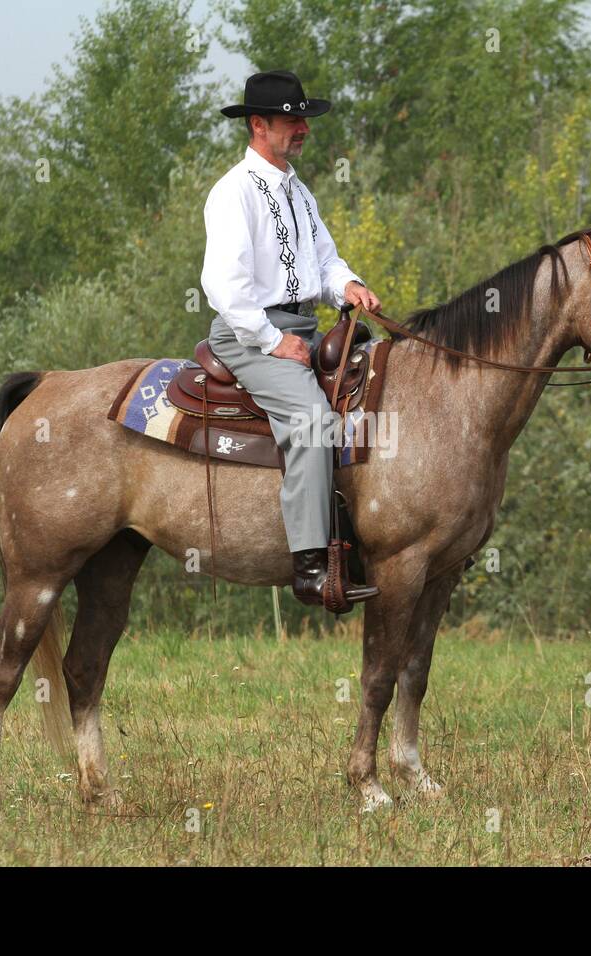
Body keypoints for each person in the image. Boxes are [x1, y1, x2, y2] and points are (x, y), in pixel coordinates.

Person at [201, 70, 381, 607]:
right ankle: (309, 566)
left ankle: (361, 535)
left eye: (303, 119)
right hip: (247, 334)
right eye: (290, 119)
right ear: (258, 125)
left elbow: (324, 260)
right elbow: (224, 288)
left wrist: (346, 283)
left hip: (302, 323)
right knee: (312, 421)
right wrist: (272, 339)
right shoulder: (233, 193)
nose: (302, 128)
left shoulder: (299, 191)